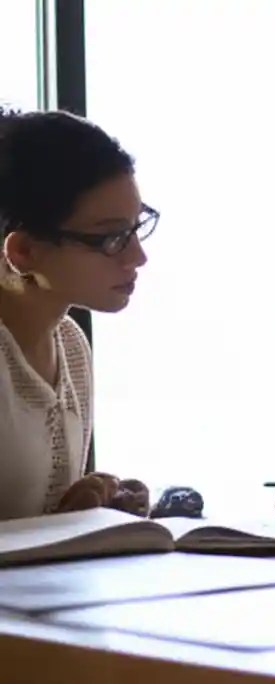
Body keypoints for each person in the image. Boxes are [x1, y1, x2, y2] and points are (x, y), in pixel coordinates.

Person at [0, 108, 155, 520]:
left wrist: (82, 507)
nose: (138, 256)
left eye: (136, 228)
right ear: (24, 251)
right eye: (111, 238)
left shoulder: (69, 344)